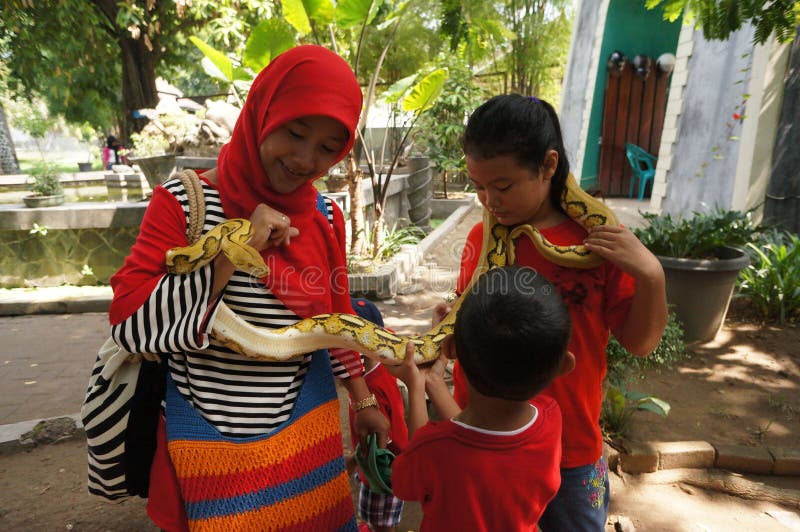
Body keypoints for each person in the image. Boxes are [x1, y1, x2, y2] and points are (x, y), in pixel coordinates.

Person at [108, 45, 389, 531]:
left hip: (307, 430)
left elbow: (337, 320)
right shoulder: (183, 204)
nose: (305, 160)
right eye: (295, 133)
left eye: (327, 148)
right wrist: (234, 250)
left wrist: (362, 401)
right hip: (211, 440)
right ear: (263, 113)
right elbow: (132, 326)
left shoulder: (324, 218)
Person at [440, 94, 668, 531]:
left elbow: (640, 343)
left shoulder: (602, 244)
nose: (489, 200)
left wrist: (652, 275)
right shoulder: (480, 239)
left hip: (571, 453)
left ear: (548, 165)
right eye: (478, 186)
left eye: (502, 186)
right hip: (484, 440)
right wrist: (449, 328)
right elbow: (466, 342)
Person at [387, 265, 575, 530]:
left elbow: (404, 483)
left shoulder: (434, 449)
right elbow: (483, 443)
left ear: (451, 349)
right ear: (563, 366)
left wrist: (415, 387)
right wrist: (434, 383)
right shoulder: (550, 417)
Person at [346, 297, 409, 532]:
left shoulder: (370, 388)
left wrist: (352, 461)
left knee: (380, 522)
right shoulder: (383, 365)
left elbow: (378, 444)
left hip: (381, 471)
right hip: (387, 466)